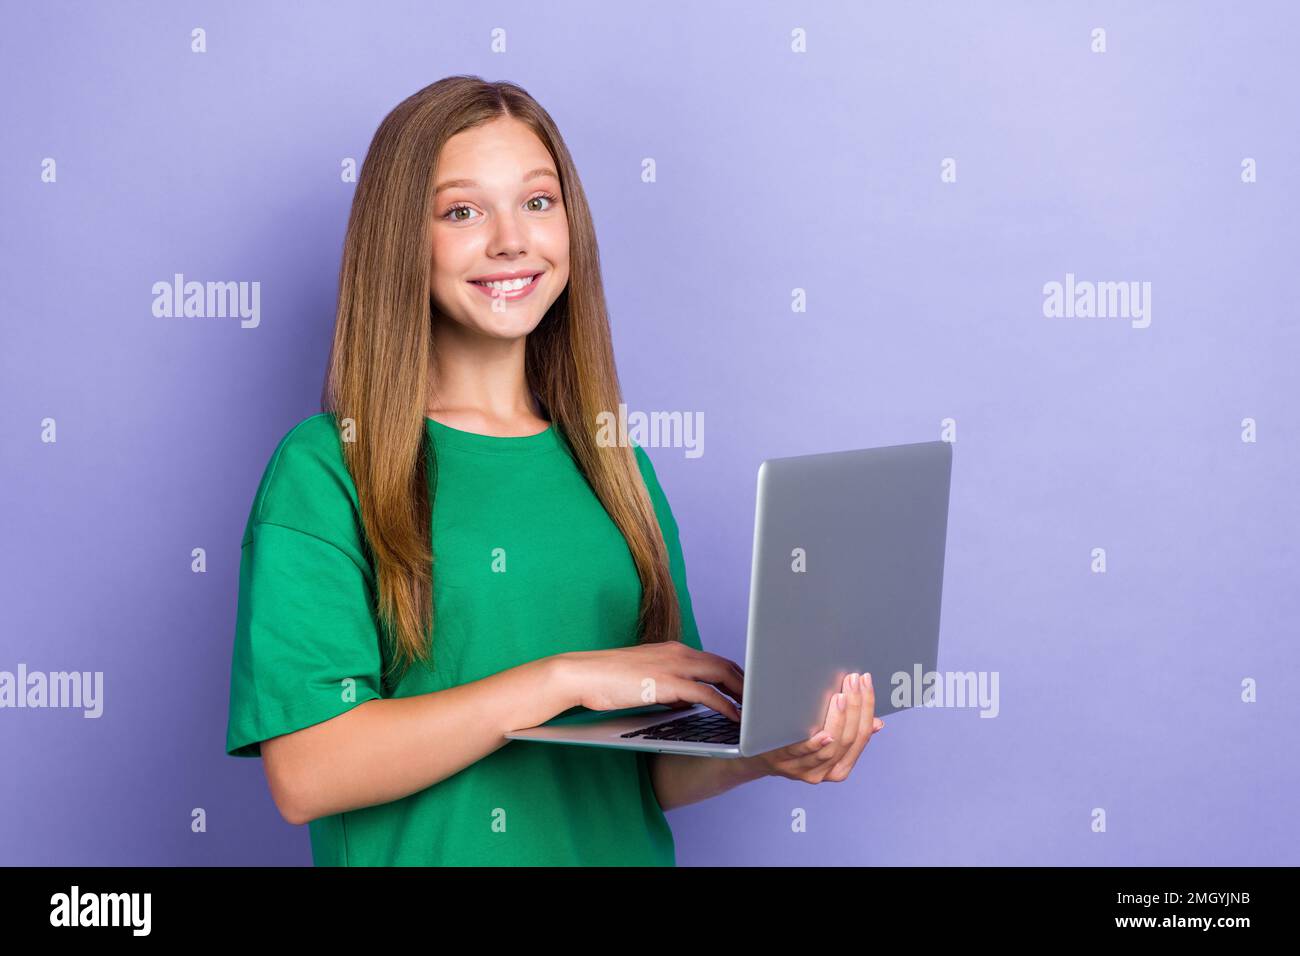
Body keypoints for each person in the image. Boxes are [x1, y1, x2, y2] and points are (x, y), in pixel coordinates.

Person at [224, 75, 883, 866]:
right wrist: (562, 679)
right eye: (462, 211)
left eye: (537, 202)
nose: (512, 240)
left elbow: (652, 770)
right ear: (402, 239)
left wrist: (765, 752)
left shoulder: (617, 468)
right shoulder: (326, 468)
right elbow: (308, 772)